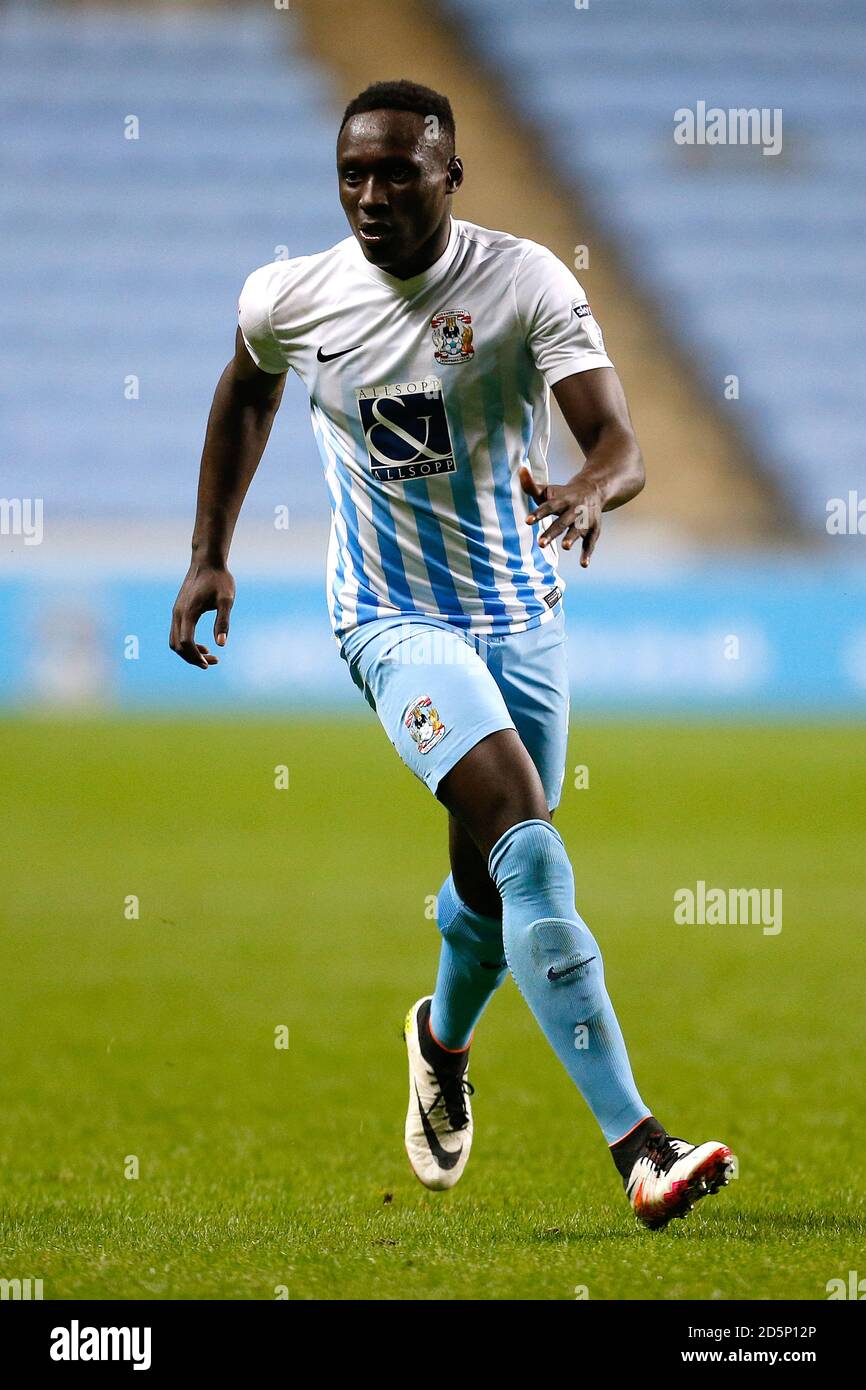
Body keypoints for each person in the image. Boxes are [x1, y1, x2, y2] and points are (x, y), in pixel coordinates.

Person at [170, 79, 734, 1229]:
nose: (369, 197)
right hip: (391, 620)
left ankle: (438, 1037)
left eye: (396, 174)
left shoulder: (523, 282)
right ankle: (639, 1146)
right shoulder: (292, 296)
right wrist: (208, 554)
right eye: (351, 176)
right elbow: (243, 396)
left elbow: (617, 439)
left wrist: (585, 488)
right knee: (530, 849)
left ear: (451, 176)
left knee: (485, 884)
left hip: (518, 616)